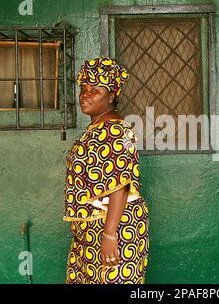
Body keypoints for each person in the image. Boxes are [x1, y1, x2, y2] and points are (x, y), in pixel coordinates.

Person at [63, 57, 149, 284]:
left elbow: (120, 185)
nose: (85, 94)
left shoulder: (115, 131)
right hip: (94, 228)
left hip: (115, 228)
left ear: (111, 96)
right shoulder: (97, 128)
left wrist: (109, 235)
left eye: (95, 90)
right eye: (84, 88)